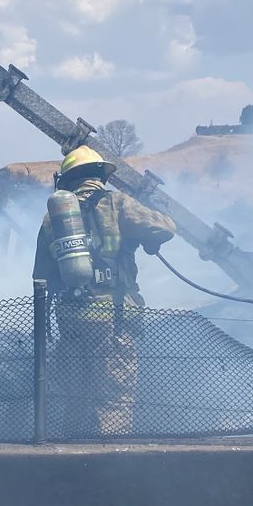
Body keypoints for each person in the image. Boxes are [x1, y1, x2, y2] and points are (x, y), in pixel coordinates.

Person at [32, 145, 175, 435]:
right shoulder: (117, 204)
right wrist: (137, 239)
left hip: (71, 320)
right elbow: (165, 227)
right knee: (113, 399)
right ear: (100, 176)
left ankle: (72, 462)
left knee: (76, 400)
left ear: (67, 179)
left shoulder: (53, 219)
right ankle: (110, 465)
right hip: (114, 320)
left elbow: (40, 276)